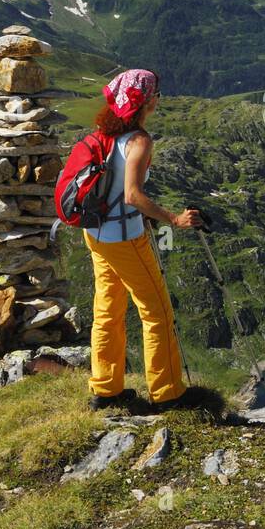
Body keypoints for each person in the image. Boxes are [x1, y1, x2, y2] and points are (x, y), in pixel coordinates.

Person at [83, 67, 202, 413]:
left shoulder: (104, 134)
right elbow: (133, 196)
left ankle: (106, 390)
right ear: (146, 101)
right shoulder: (139, 140)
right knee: (158, 312)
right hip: (124, 239)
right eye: (156, 94)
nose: (158, 99)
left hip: (96, 234)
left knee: (108, 309)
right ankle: (167, 393)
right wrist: (174, 219)